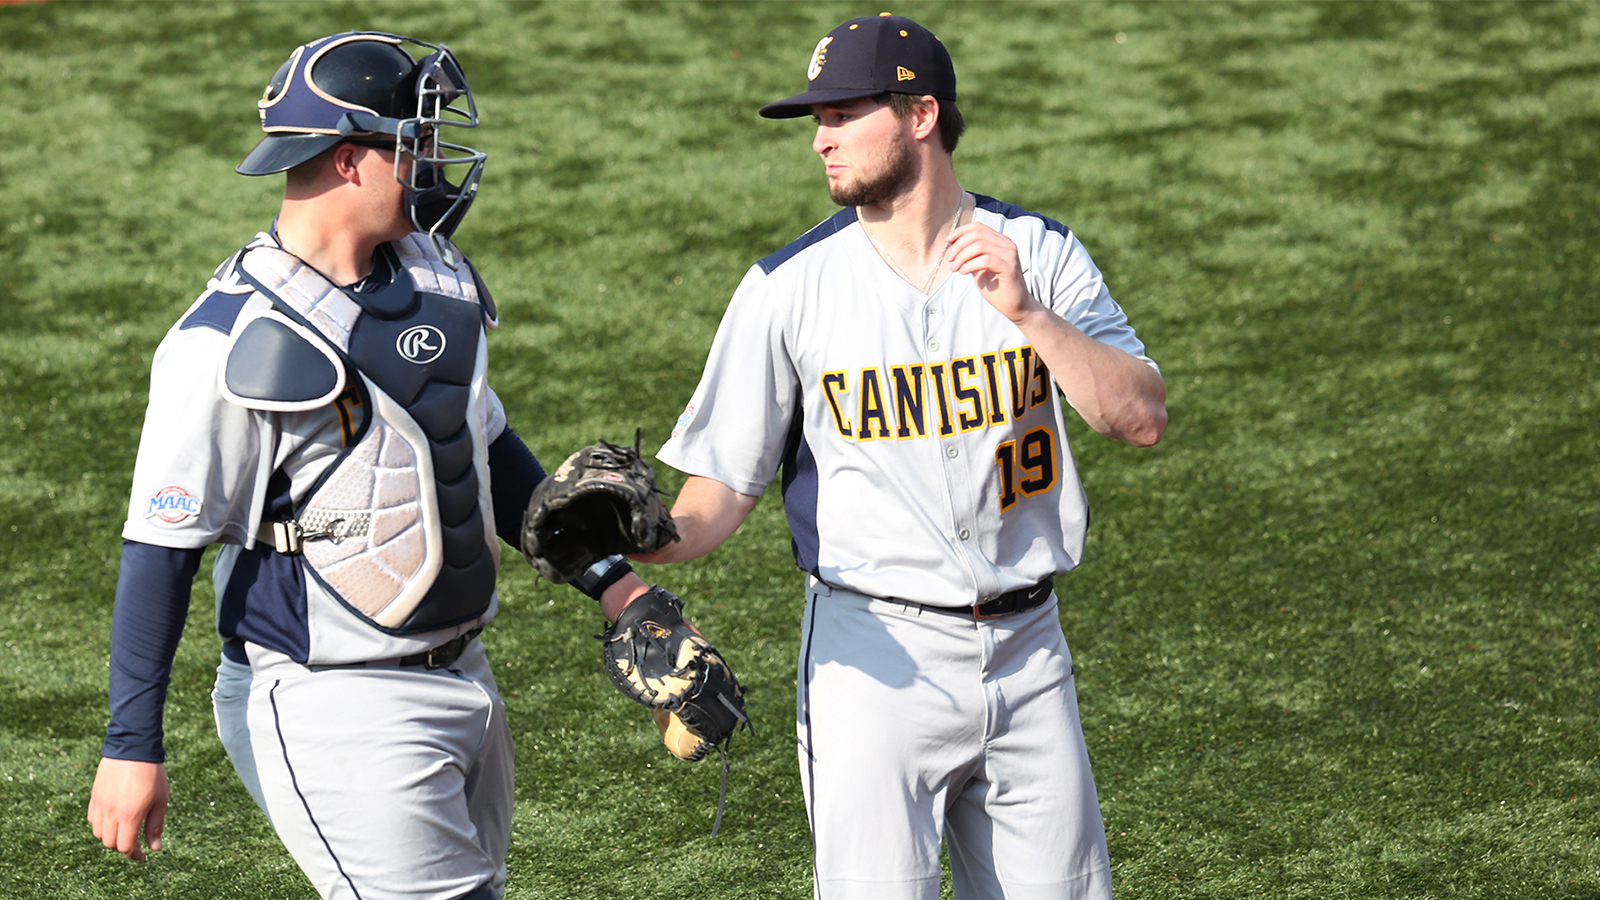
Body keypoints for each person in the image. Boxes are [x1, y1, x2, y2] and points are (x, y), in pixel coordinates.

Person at [86, 31, 656, 900]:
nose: (435, 163)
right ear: (350, 160)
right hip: (334, 703)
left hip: (468, 678)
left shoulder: (438, 282)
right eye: (414, 144)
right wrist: (132, 746)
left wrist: (616, 583)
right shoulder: (228, 340)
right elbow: (161, 547)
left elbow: (485, 457)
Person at [636, 13, 1168, 900]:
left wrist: (1030, 315)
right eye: (817, 119)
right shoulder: (787, 288)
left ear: (919, 115)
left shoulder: (1037, 252)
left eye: (843, 114)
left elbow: (1140, 417)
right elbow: (723, 487)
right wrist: (642, 538)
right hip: (872, 666)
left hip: (1032, 651)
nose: (820, 140)